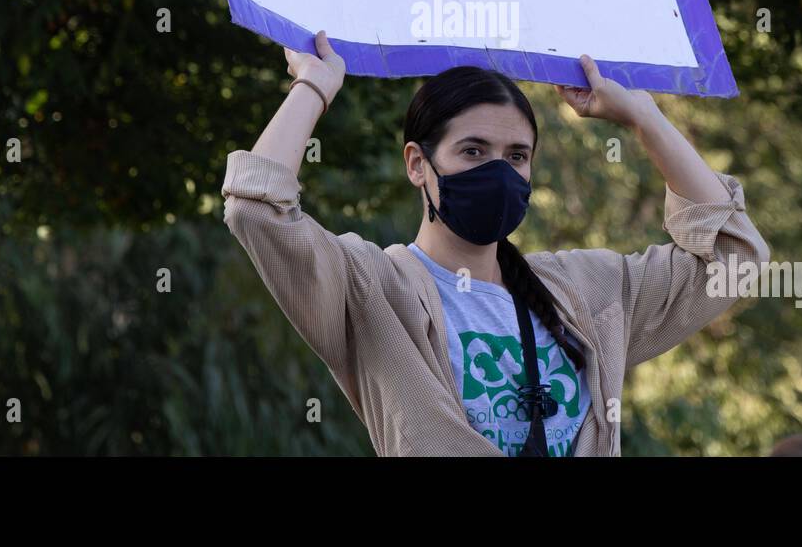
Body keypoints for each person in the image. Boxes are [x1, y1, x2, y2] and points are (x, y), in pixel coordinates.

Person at [222, 29, 771, 456]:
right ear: (418, 164)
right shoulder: (370, 290)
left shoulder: (586, 291)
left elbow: (735, 259)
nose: (498, 171)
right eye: (473, 151)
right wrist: (314, 84)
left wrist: (642, 114)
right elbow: (257, 208)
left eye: (516, 156)